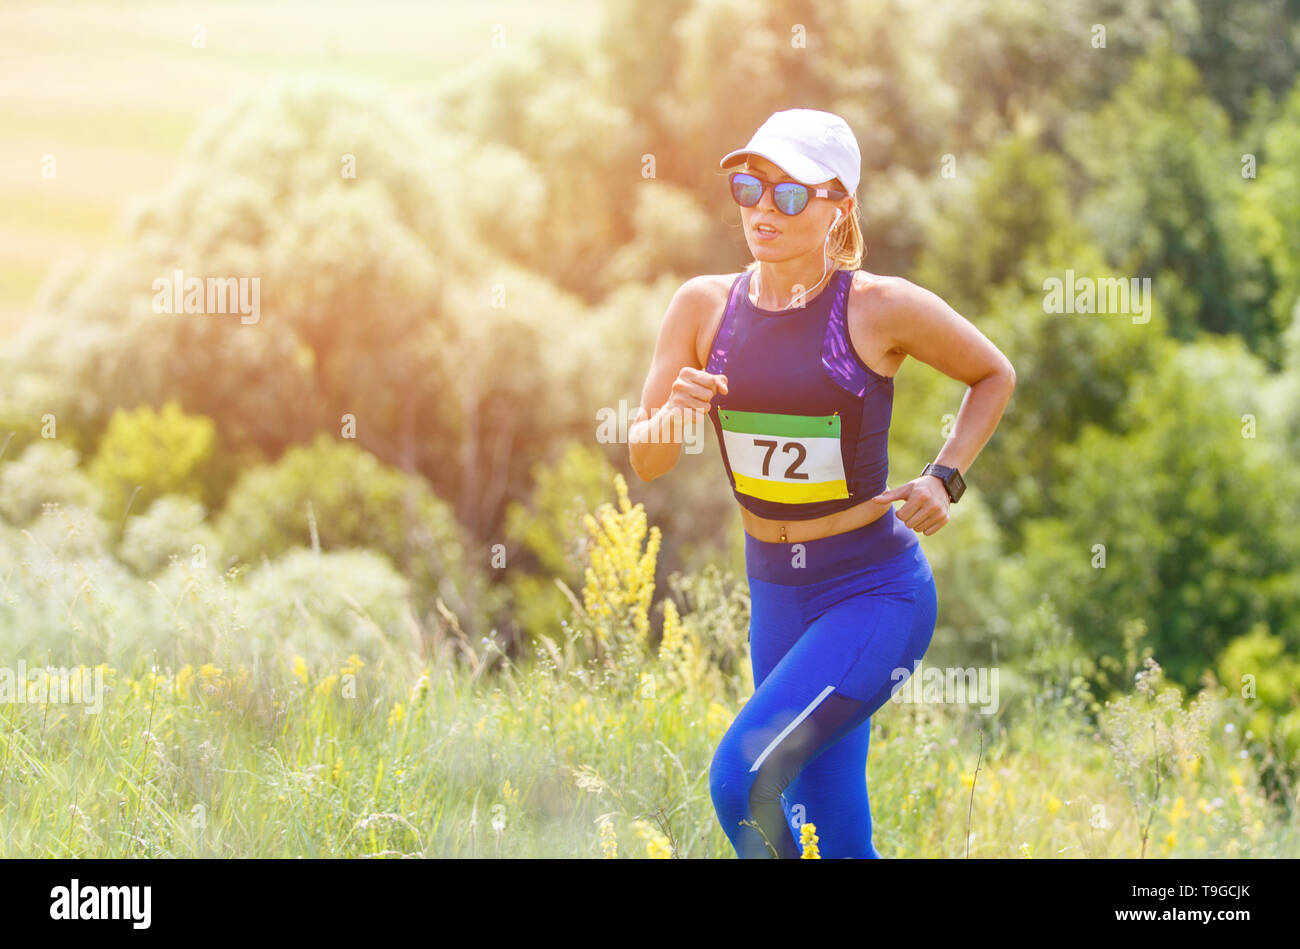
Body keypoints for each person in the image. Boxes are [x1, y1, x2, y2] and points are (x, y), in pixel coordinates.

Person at [628, 108, 1015, 858]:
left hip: (874, 594)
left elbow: (992, 373)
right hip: (775, 593)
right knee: (828, 834)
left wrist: (946, 474)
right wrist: (674, 415)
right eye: (750, 187)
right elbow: (647, 460)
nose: (764, 209)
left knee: (741, 781)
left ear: (840, 204)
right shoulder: (703, 306)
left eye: (791, 194)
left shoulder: (876, 307)